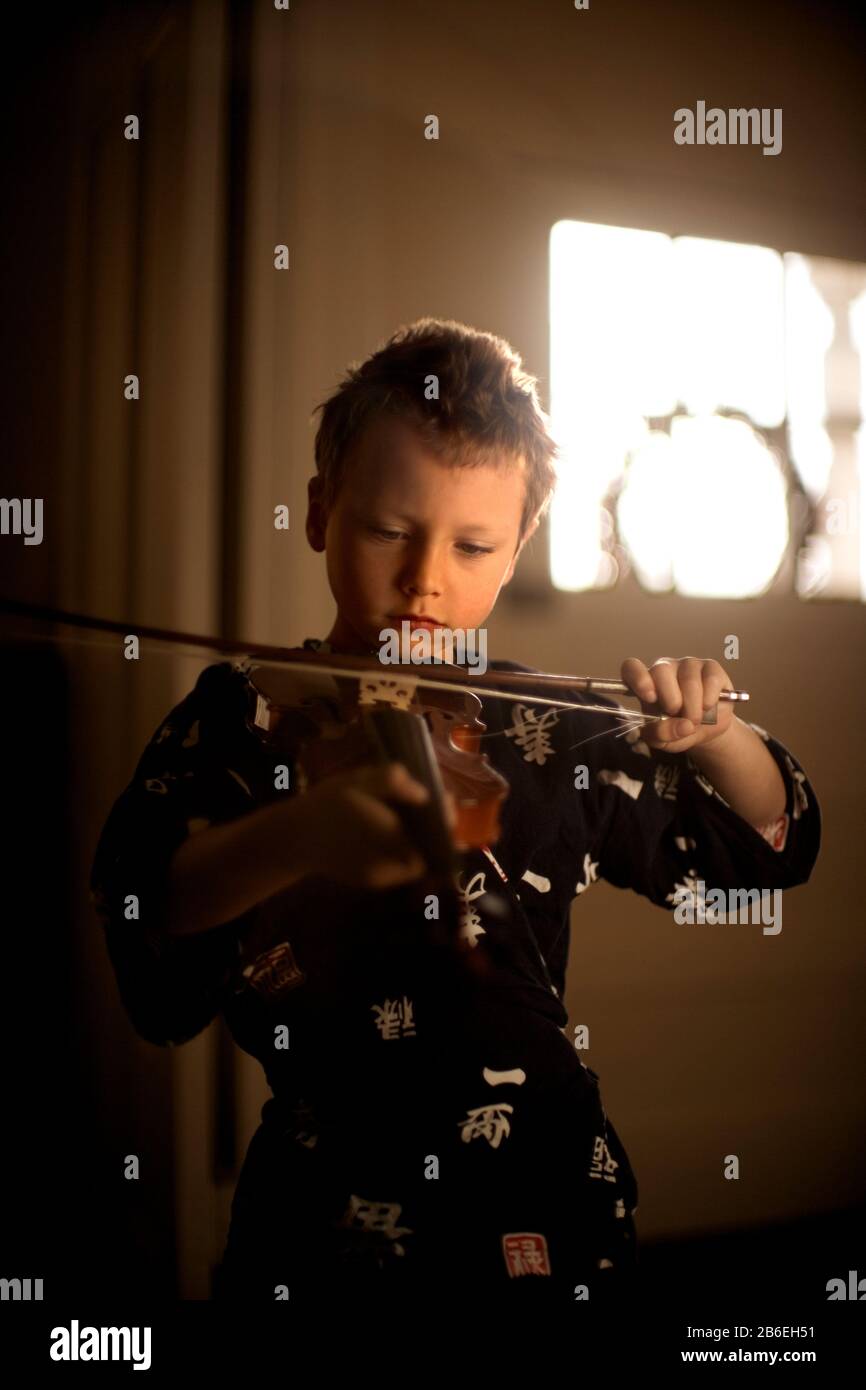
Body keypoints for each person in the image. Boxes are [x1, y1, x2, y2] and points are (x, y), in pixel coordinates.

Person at [90, 318, 821, 1309]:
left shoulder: (535, 729)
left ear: (516, 548)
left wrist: (718, 735)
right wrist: (300, 830)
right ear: (318, 512)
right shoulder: (246, 715)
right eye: (389, 530)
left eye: (472, 544)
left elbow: (762, 853)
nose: (425, 578)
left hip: (548, 1188)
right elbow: (149, 933)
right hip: (332, 1209)